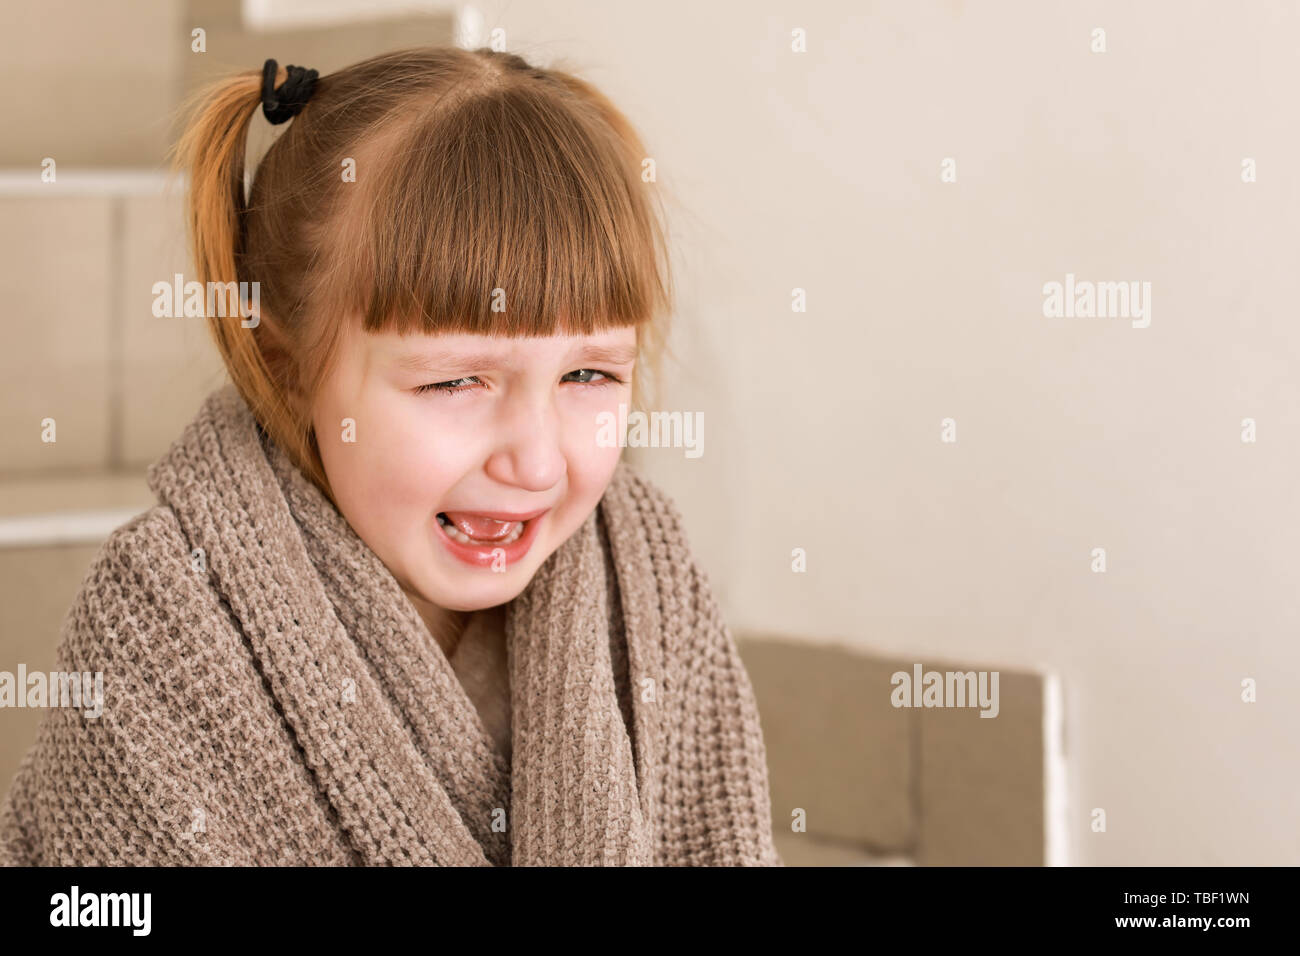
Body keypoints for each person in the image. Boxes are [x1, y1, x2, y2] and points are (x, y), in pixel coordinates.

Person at [0, 46, 781, 866]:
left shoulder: (642, 570)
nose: (539, 462)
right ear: (286, 367)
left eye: (588, 373)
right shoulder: (161, 626)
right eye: (454, 383)